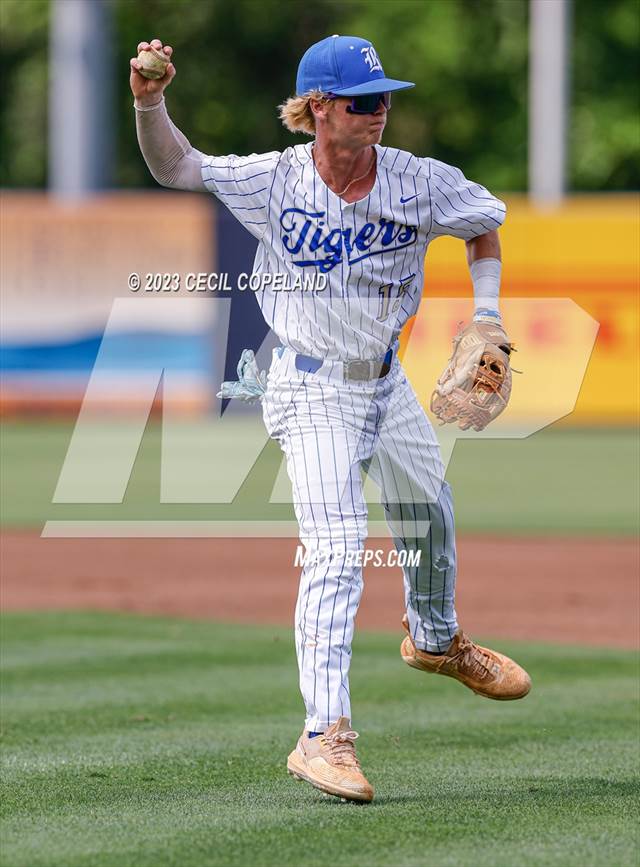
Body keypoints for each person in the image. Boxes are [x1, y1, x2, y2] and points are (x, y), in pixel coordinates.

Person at [131, 33, 531, 805]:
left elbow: (484, 221)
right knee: (338, 549)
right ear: (318, 108)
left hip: (386, 382)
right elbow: (176, 165)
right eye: (363, 101)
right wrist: (152, 102)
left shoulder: (417, 181)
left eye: (386, 98)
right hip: (308, 386)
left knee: (429, 512)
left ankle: (438, 638)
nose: (381, 112)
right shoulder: (273, 180)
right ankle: (323, 733)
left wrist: (486, 314)